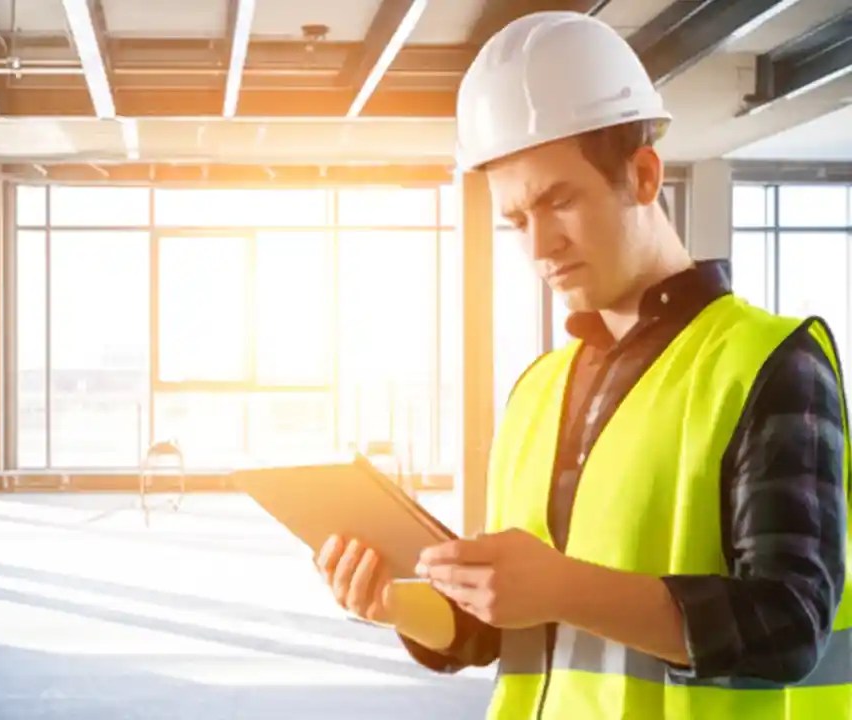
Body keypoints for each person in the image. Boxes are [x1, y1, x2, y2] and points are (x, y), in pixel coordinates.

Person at [316, 10, 851, 720]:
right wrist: (396, 603)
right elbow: (506, 630)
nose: (540, 246)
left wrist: (562, 586)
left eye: (559, 201)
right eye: (517, 220)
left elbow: (789, 623)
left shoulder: (770, 364)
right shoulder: (538, 390)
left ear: (643, 174)